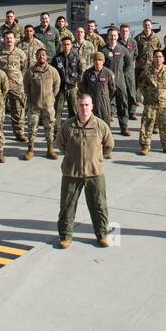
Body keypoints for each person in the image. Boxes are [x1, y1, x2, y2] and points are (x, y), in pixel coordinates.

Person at [55, 93, 114, 249]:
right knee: (67, 206)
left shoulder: (100, 126)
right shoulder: (68, 126)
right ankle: (66, 236)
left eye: (87, 105)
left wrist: (96, 159)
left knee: (99, 206)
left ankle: (102, 235)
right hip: (71, 173)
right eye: (81, 105)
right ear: (77, 106)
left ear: (92, 106)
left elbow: (109, 145)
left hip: (94, 173)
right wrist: (72, 158)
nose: (84, 108)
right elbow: (60, 144)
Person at [24, 47, 60, 160]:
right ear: (36, 57)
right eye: (39, 55)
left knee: (49, 128)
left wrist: (51, 97)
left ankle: (50, 149)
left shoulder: (52, 71)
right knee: (32, 128)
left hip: (48, 105)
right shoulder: (30, 71)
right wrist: (30, 99)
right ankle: (30, 150)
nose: (41, 57)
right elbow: (26, 87)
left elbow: (56, 86)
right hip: (34, 105)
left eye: (43, 55)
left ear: (47, 57)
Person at [138, 49, 166, 155]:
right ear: (153, 58)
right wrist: (147, 95)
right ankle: (145, 146)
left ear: (163, 59)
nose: (158, 59)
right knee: (147, 125)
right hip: (151, 103)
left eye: (160, 57)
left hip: (165, 103)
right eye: (156, 57)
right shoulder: (147, 71)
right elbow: (141, 84)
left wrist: (165, 94)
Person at [0, 31, 28, 141]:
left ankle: (19, 132)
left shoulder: (20, 53)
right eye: (7, 38)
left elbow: (24, 68)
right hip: (1, 87)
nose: (9, 40)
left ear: (14, 40)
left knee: (18, 110)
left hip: (17, 86)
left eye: (11, 38)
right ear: (4, 40)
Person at [103, 27, 131, 134]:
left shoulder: (122, 49)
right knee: (106, 104)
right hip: (106, 82)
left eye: (115, 35)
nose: (113, 37)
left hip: (120, 81)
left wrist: (121, 74)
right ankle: (106, 129)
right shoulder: (103, 50)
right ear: (108, 36)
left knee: (122, 104)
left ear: (117, 36)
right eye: (111, 35)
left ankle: (124, 127)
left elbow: (128, 63)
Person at [80, 50, 116, 125]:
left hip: (104, 101)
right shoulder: (87, 73)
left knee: (105, 122)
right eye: (96, 60)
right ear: (93, 61)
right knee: (90, 122)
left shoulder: (108, 73)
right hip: (91, 102)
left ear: (103, 61)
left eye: (100, 60)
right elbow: (83, 87)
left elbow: (112, 89)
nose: (98, 62)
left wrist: (105, 96)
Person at [53, 36, 82, 119]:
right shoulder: (56, 58)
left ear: (71, 45)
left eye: (68, 44)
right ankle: (56, 130)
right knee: (57, 111)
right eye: (64, 44)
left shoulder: (76, 58)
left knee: (74, 110)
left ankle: (73, 129)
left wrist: (76, 83)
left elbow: (80, 72)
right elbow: (53, 74)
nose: (66, 46)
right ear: (62, 45)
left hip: (72, 88)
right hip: (60, 88)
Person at [134, 18, 158, 98]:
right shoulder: (138, 38)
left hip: (151, 67)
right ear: (143, 26)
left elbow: (158, 51)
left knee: (152, 85)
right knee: (137, 85)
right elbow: (134, 51)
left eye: (148, 25)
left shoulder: (156, 38)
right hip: (140, 66)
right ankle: (136, 103)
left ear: (151, 26)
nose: (147, 27)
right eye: (145, 25)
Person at [117, 23, 138, 116]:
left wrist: (128, 64)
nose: (124, 33)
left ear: (129, 32)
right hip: (119, 70)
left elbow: (135, 54)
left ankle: (132, 111)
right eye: (122, 31)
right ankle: (116, 111)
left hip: (129, 71)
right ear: (119, 32)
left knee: (131, 91)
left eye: (126, 31)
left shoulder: (133, 43)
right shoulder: (116, 42)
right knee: (119, 91)